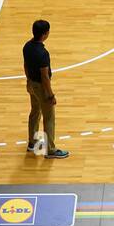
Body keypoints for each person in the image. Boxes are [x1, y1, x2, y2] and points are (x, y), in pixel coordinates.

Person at [22, 19, 69, 157]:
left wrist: (29, 81)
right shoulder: (43, 54)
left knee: (35, 112)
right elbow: (45, 77)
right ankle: (50, 150)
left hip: (31, 84)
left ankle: (33, 143)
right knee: (49, 117)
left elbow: (25, 66)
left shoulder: (27, 46)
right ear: (44, 34)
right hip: (41, 88)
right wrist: (50, 95)